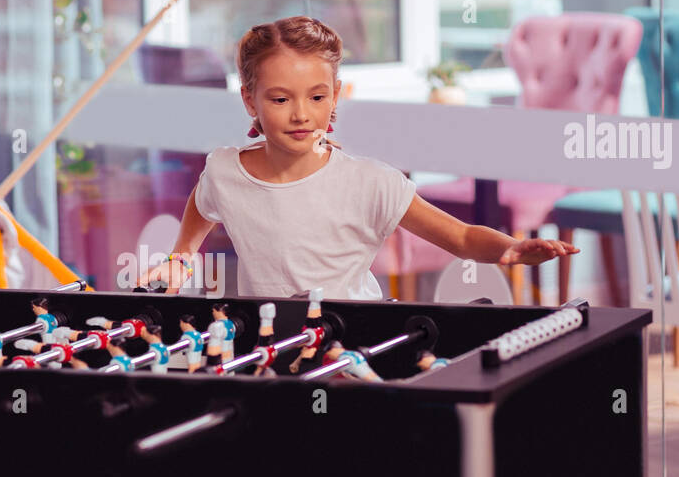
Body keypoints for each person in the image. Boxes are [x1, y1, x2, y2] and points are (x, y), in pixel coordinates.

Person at [137, 16, 578, 298]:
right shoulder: (225, 169)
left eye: (316, 96)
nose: (300, 114)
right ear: (249, 100)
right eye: (279, 99)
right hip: (270, 345)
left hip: (355, 340)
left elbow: (460, 238)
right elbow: (204, 199)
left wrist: (512, 249)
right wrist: (181, 257)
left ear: (335, 98)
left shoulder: (372, 183)